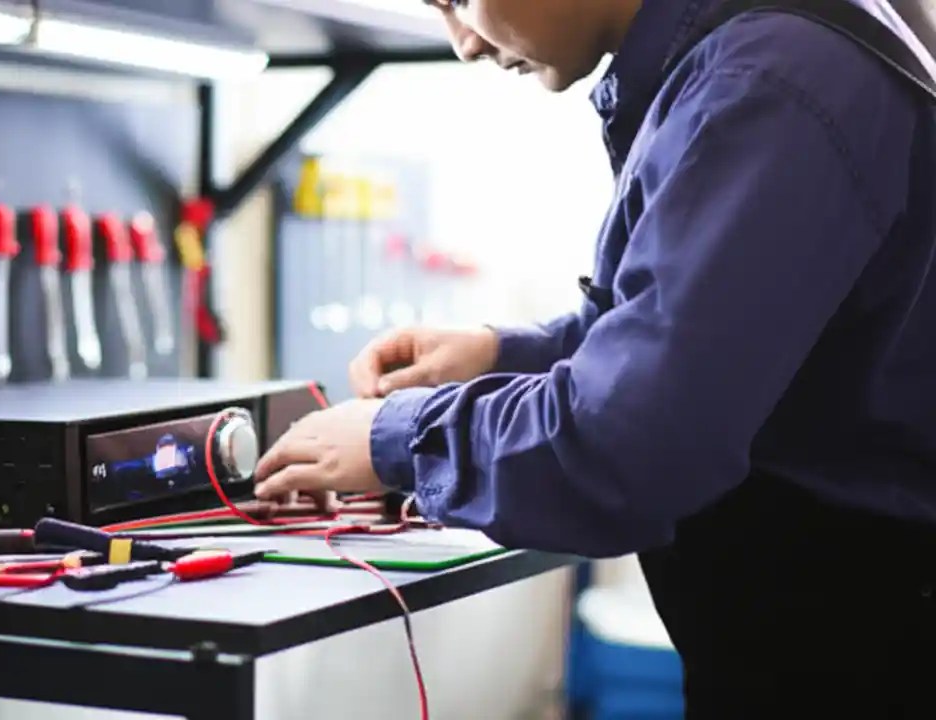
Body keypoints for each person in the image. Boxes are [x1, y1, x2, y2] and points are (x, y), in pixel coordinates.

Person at [253, 0, 936, 716]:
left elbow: (632, 443)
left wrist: (395, 436)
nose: (463, 44)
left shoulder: (773, 78)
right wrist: (502, 356)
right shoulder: (758, 54)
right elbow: (719, 339)